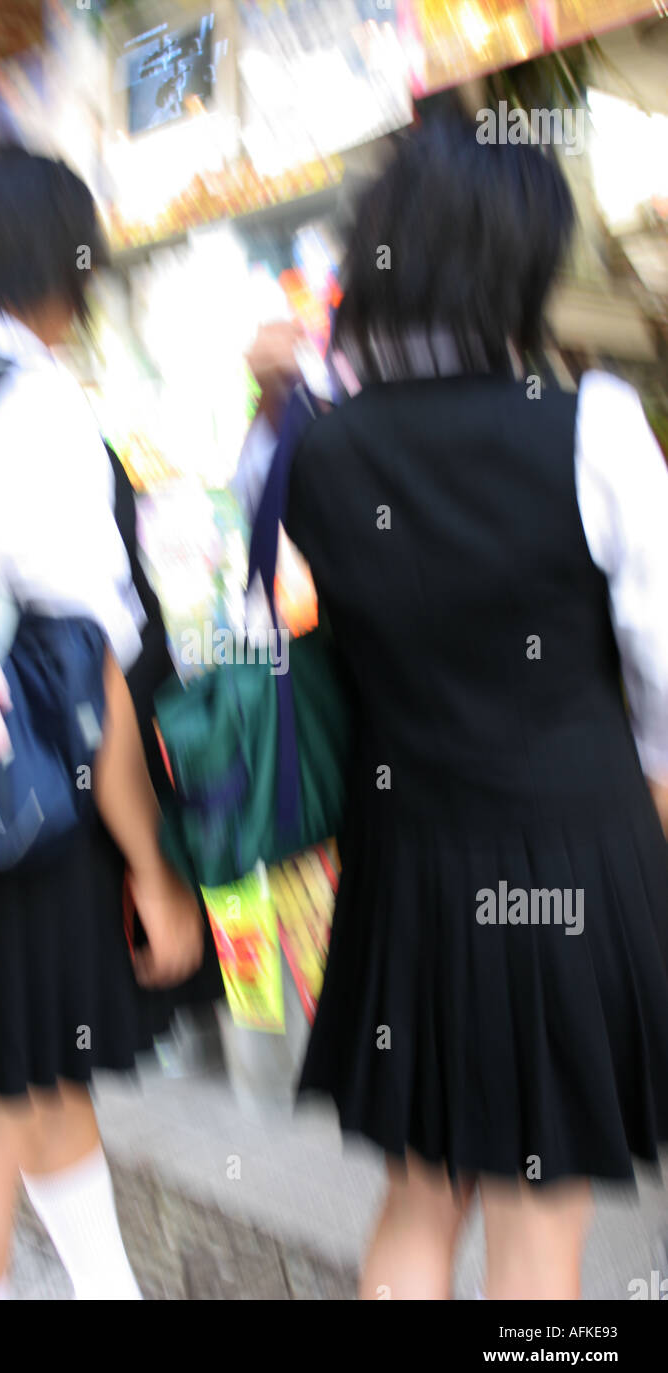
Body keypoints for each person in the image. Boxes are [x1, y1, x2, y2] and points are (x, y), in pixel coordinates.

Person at [249, 118, 668, 1299]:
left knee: (419, 1192)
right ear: (514, 267)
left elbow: (289, 641)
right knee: (540, 1229)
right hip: (575, 859)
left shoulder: (310, 452)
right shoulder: (592, 425)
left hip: (404, 869)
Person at [0, 145, 205, 1300]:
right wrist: (151, 867)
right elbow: (93, 673)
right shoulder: (31, 403)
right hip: (27, 811)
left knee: (32, 1081)